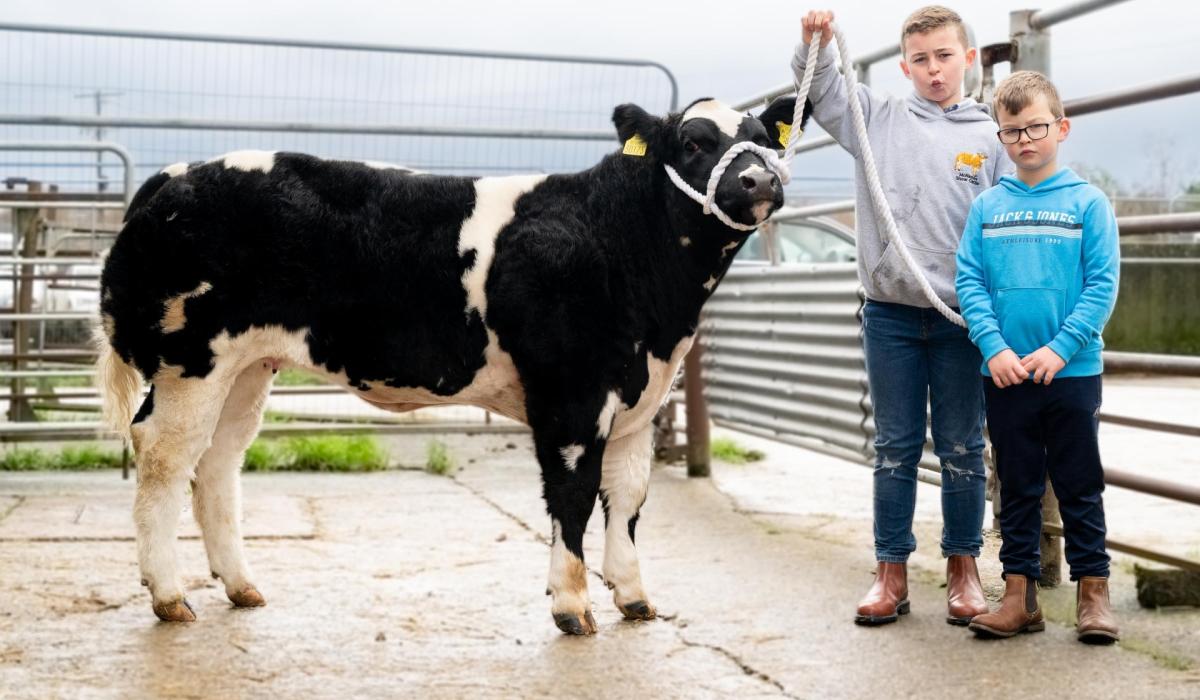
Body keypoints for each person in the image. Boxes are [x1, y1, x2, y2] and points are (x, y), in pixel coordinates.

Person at [795, 6, 1012, 626]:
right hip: (890, 314)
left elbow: (1002, 227)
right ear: (904, 66)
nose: (934, 69)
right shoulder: (877, 119)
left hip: (961, 318)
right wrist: (815, 39)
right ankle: (890, 571)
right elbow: (821, 87)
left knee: (964, 446)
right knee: (893, 445)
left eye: (945, 56)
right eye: (920, 59)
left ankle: (963, 570)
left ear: (968, 58)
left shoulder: (989, 138)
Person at [956, 70, 1121, 644]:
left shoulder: (1088, 203)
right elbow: (970, 283)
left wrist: (1061, 347)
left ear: (1060, 127)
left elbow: (1102, 285)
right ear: (999, 138)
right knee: (1017, 484)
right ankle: (1019, 595)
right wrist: (994, 347)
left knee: (1080, 482)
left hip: (1071, 372)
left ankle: (1093, 593)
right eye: (1011, 131)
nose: (1024, 140)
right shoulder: (987, 207)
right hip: (1005, 373)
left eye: (1035, 127)